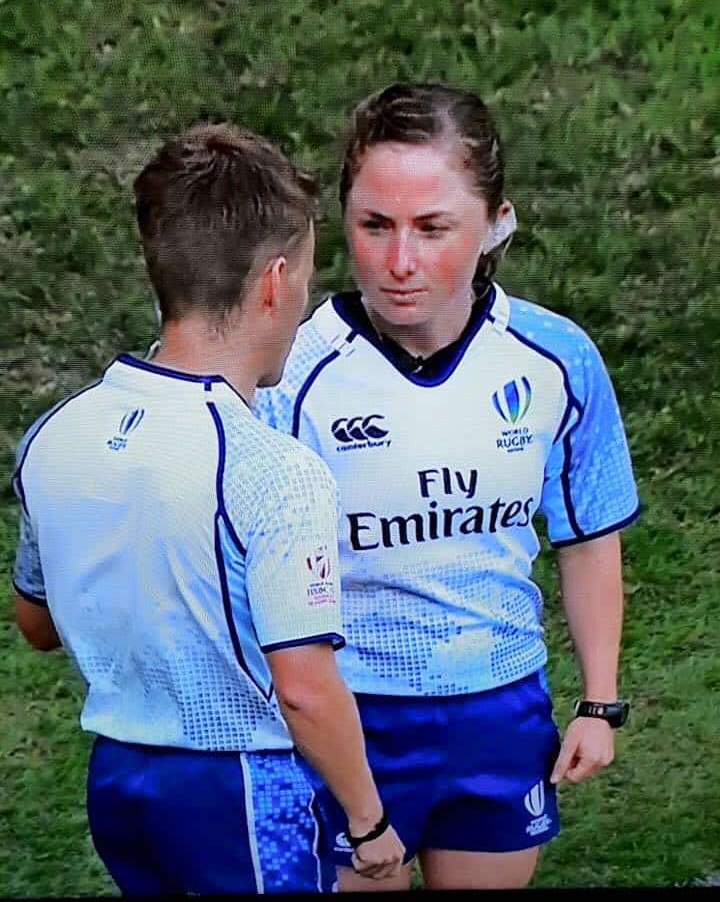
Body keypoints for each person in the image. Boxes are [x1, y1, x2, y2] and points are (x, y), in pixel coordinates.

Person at [253, 82, 640, 891]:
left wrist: (599, 702)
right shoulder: (285, 375)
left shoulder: (556, 360)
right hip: (348, 724)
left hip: (497, 715)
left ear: (498, 222)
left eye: (433, 229)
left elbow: (588, 534)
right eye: (374, 226)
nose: (400, 262)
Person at [11, 123, 405, 895]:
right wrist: (369, 822)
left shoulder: (52, 435)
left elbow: (36, 624)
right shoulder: (273, 469)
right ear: (274, 281)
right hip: (238, 794)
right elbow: (303, 685)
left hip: (119, 785)